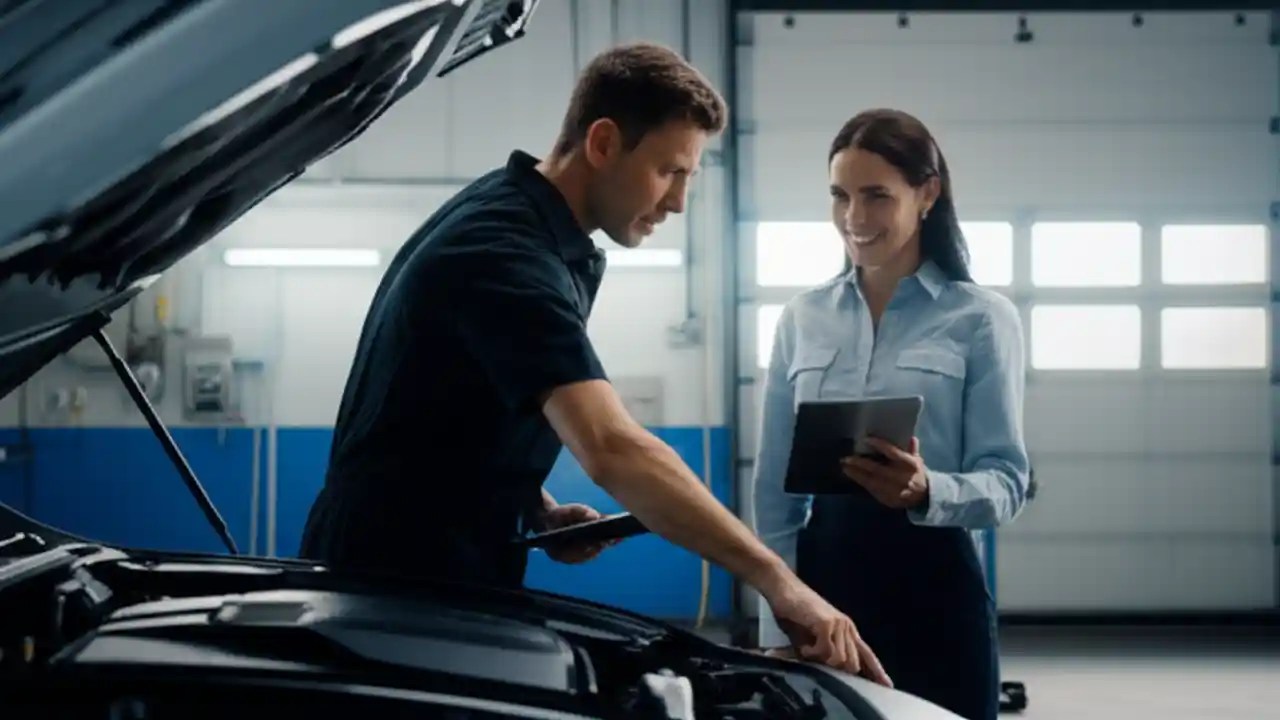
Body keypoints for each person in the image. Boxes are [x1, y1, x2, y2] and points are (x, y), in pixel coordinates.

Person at [298, 42, 891, 682]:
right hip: (396, 589)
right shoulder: (504, 253)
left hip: (442, 569)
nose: (679, 202)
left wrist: (534, 505)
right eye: (671, 172)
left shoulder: (528, 223)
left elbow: (453, 405)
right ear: (604, 143)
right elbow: (612, 446)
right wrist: (780, 583)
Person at [752, 108, 1031, 720]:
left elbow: (1006, 483)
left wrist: (929, 488)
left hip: (937, 588)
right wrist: (779, 609)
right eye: (840, 195)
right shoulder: (802, 318)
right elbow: (775, 491)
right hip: (823, 596)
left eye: (876, 195)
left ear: (927, 193)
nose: (854, 218)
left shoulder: (981, 319)